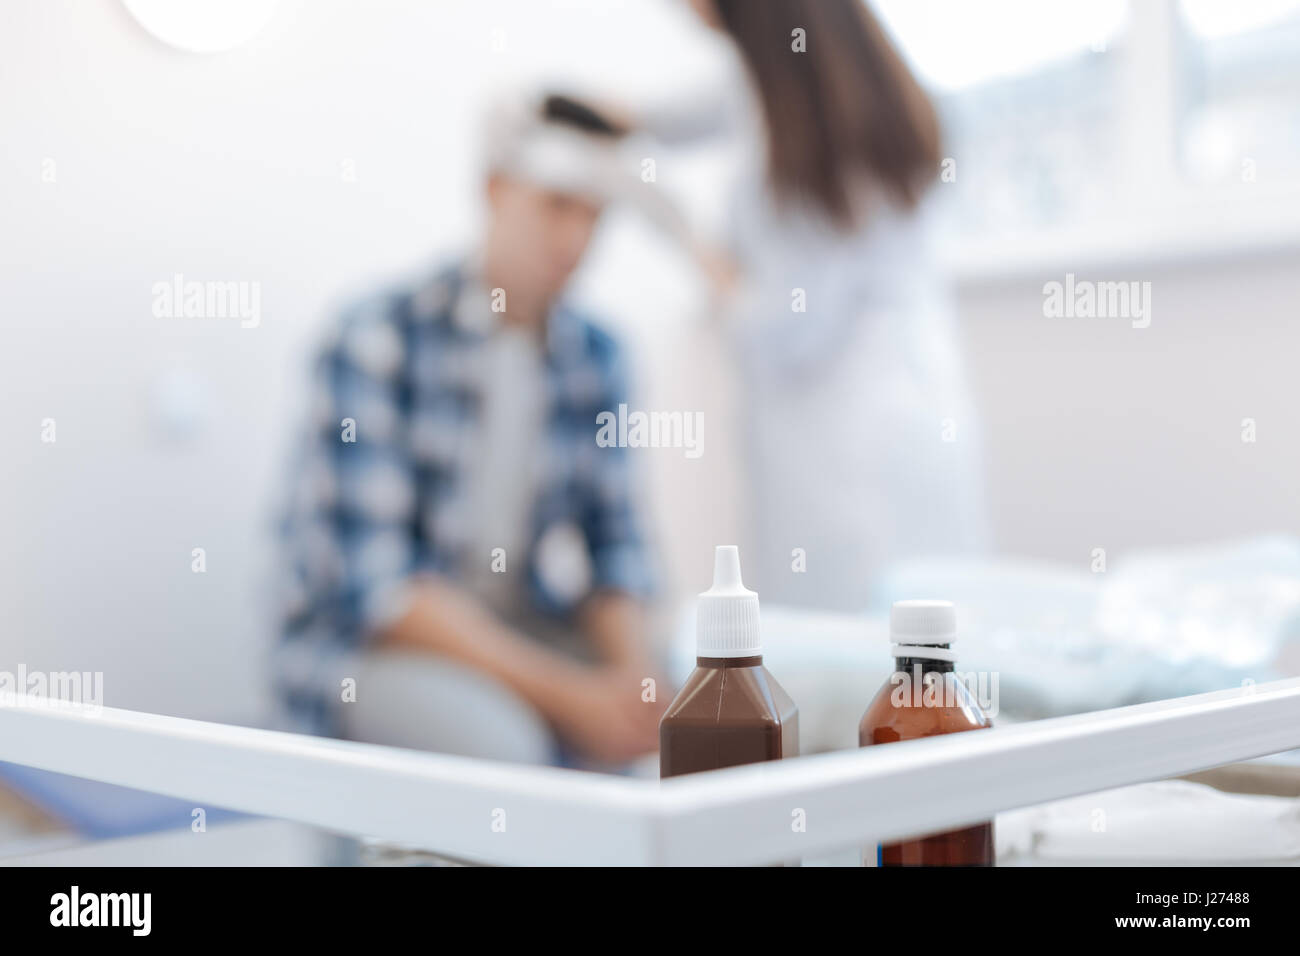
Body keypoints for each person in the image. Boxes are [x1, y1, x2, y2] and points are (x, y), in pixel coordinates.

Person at [272, 92, 665, 768]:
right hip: (364, 648)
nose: (576, 240)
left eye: (595, 216)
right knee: (505, 750)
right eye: (557, 205)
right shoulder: (375, 337)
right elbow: (384, 593)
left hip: (517, 626)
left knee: (698, 709)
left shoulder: (597, 354)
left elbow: (617, 548)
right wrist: (575, 699)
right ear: (495, 189)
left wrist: (638, 681)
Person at [650, 0, 991, 611]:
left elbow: (785, 330)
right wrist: (616, 121)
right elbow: (692, 112)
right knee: (934, 667)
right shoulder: (850, 81)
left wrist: (699, 252)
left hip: (837, 453)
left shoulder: (804, 134)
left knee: (856, 671)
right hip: (918, 415)